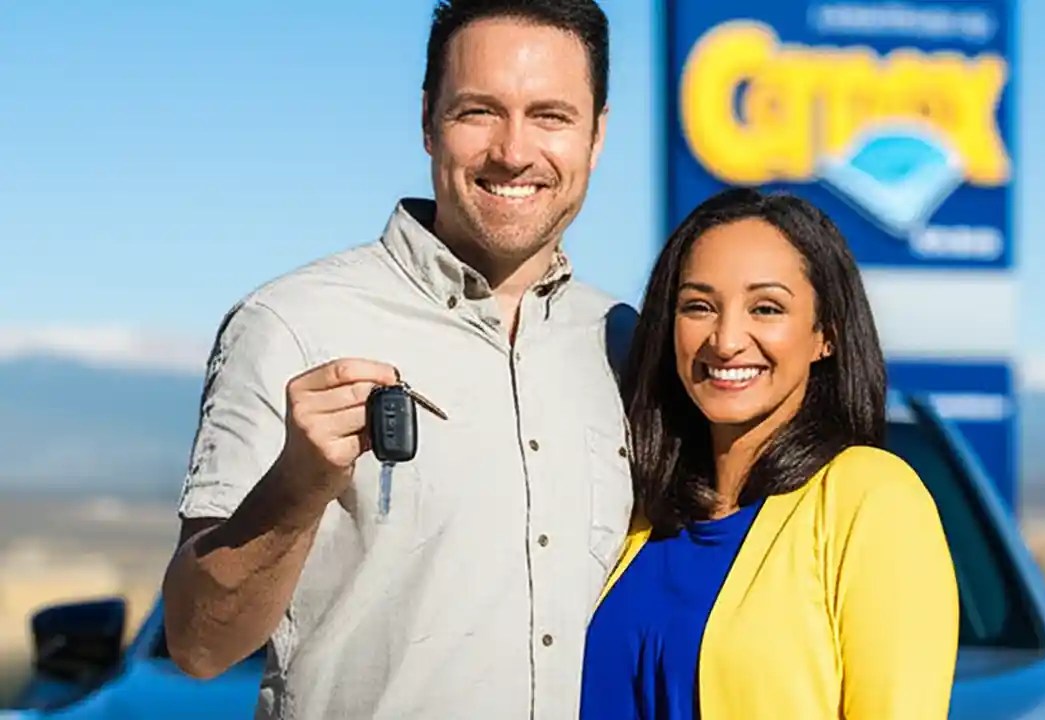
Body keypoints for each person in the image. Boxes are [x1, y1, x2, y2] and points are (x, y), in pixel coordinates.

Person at [160, 1, 636, 718]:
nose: (513, 151)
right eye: (479, 111)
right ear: (426, 121)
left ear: (597, 135)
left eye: (550, 116)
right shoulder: (292, 326)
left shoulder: (630, 344)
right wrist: (297, 485)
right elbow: (199, 645)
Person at [579, 187, 960, 719]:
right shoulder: (634, 511)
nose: (727, 339)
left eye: (766, 308)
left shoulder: (871, 499)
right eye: (698, 306)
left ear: (824, 333)